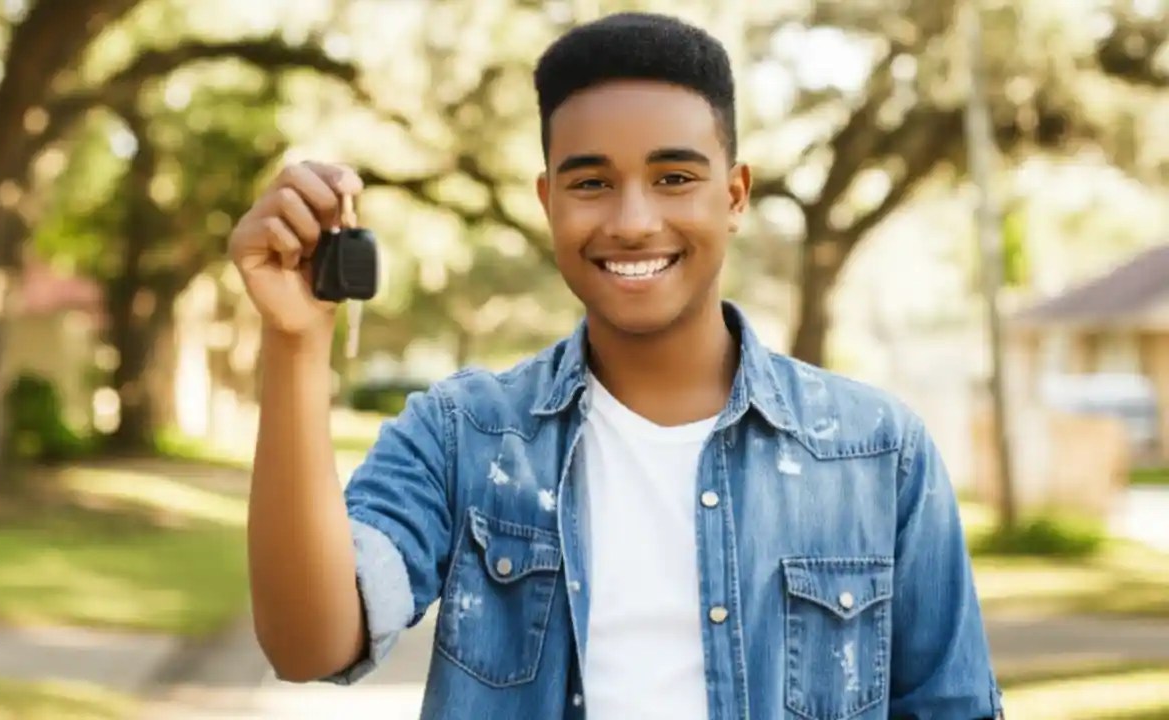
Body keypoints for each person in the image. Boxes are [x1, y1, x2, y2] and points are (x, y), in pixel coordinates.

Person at [228, 11, 1004, 720]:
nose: (633, 222)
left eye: (674, 178)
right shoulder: (462, 436)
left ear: (734, 196)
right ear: (548, 201)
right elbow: (308, 645)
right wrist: (296, 343)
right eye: (592, 183)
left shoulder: (880, 452)